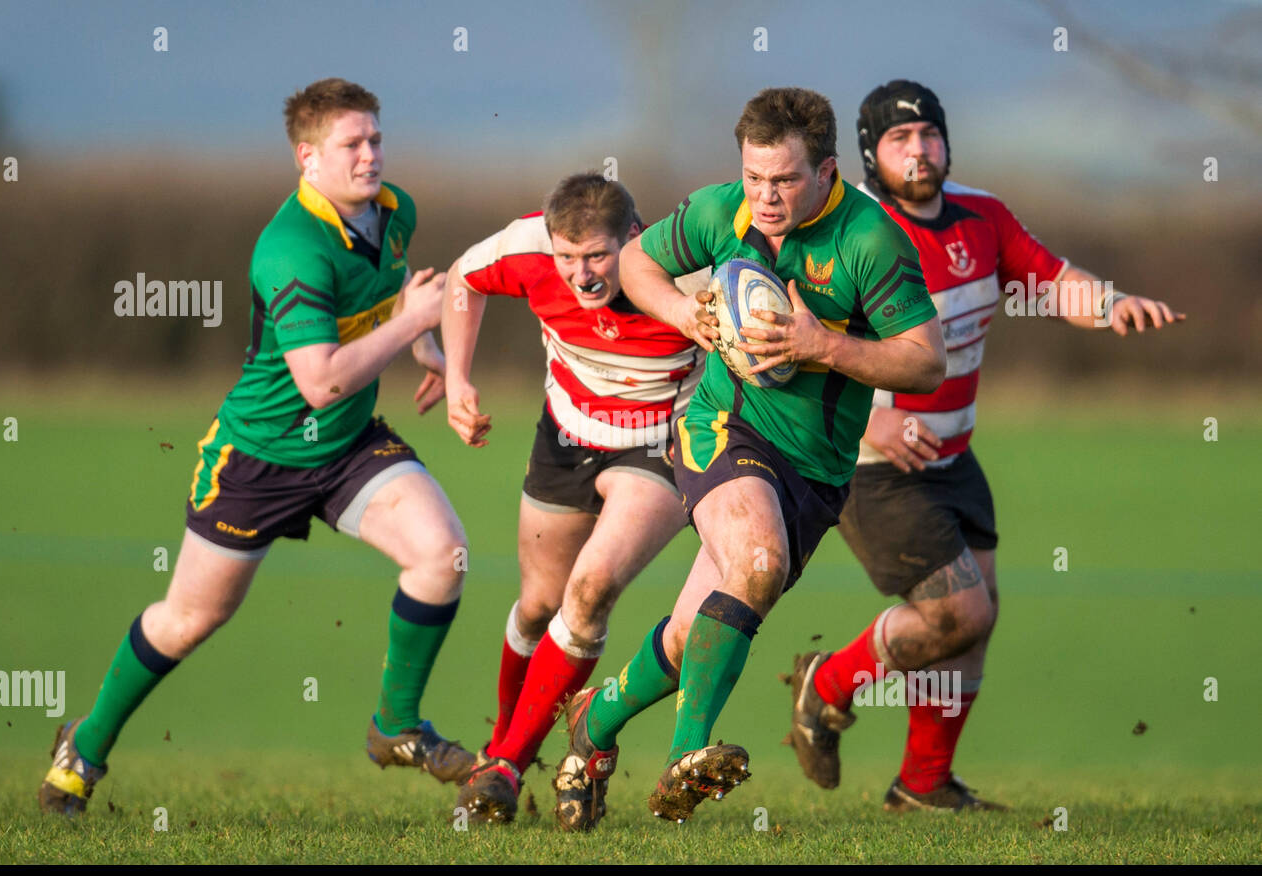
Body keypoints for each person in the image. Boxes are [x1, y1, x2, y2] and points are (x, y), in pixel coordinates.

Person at [39, 78, 474, 815]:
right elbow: (321, 381)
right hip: (259, 455)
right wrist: (410, 326)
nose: (371, 155)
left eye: (376, 138)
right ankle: (84, 746)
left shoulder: (394, 209)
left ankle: (394, 725)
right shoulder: (290, 249)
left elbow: (397, 285)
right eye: (352, 144)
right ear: (307, 158)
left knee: (443, 554)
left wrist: (424, 345)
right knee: (191, 618)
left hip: (345, 447)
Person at [554, 86, 946, 826]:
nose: (765, 197)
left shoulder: (870, 240)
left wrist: (823, 345)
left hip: (816, 471)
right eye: (754, 177)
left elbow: (927, 361)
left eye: (786, 179)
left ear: (828, 170)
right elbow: (636, 264)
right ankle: (684, 760)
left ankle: (594, 723)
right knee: (757, 562)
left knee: (689, 632)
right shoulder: (717, 209)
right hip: (722, 427)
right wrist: (681, 313)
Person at [789, 79, 1185, 812]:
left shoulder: (982, 215)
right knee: (958, 612)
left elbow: (1049, 278)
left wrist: (1112, 304)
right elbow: (796, 348)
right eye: (900, 140)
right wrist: (870, 420)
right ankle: (831, 682)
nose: (919, 150)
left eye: (929, 135)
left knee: (975, 618)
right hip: (872, 466)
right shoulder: (849, 234)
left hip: (953, 458)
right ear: (870, 155)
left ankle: (924, 783)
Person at [440, 172, 705, 827]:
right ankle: (502, 750)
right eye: (567, 258)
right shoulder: (526, 246)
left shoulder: (687, 275)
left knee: (588, 593)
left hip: (658, 447)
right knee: (536, 606)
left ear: (633, 239)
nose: (581, 275)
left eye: (597, 257)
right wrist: (456, 380)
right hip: (565, 438)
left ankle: (505, 764)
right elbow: (460, 281)